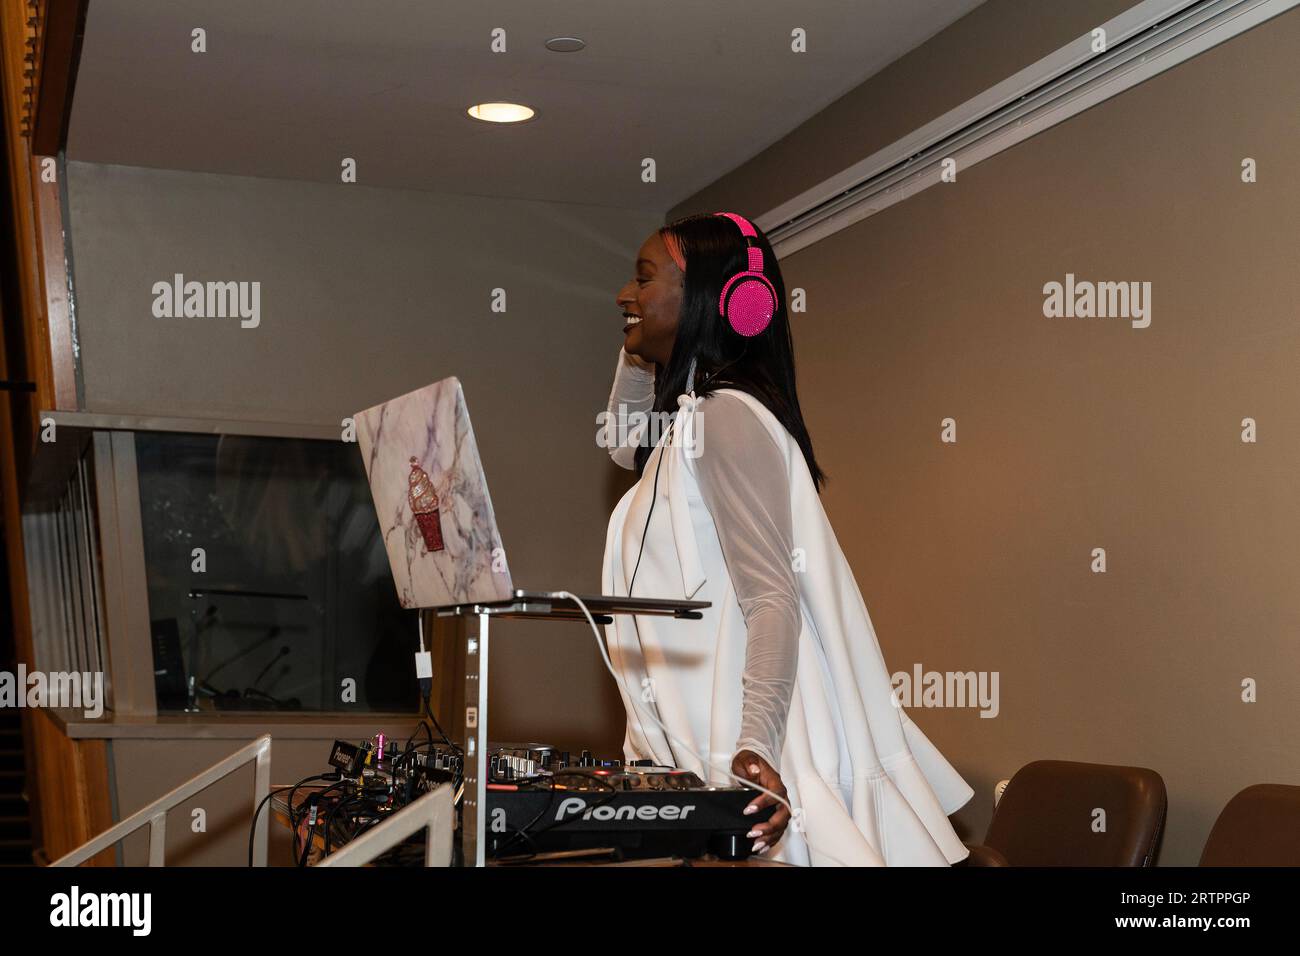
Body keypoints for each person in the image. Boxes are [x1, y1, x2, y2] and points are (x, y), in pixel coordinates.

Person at [601, 212, 973, 865]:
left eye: (642, 278)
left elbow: (772, 598)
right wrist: (639, 345)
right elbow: (624, 441)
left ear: (712, 299)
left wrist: (756, 751)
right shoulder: (690, 426)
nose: (623, 296)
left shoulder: (726, 420)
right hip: (712, 759)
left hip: (764, 760)